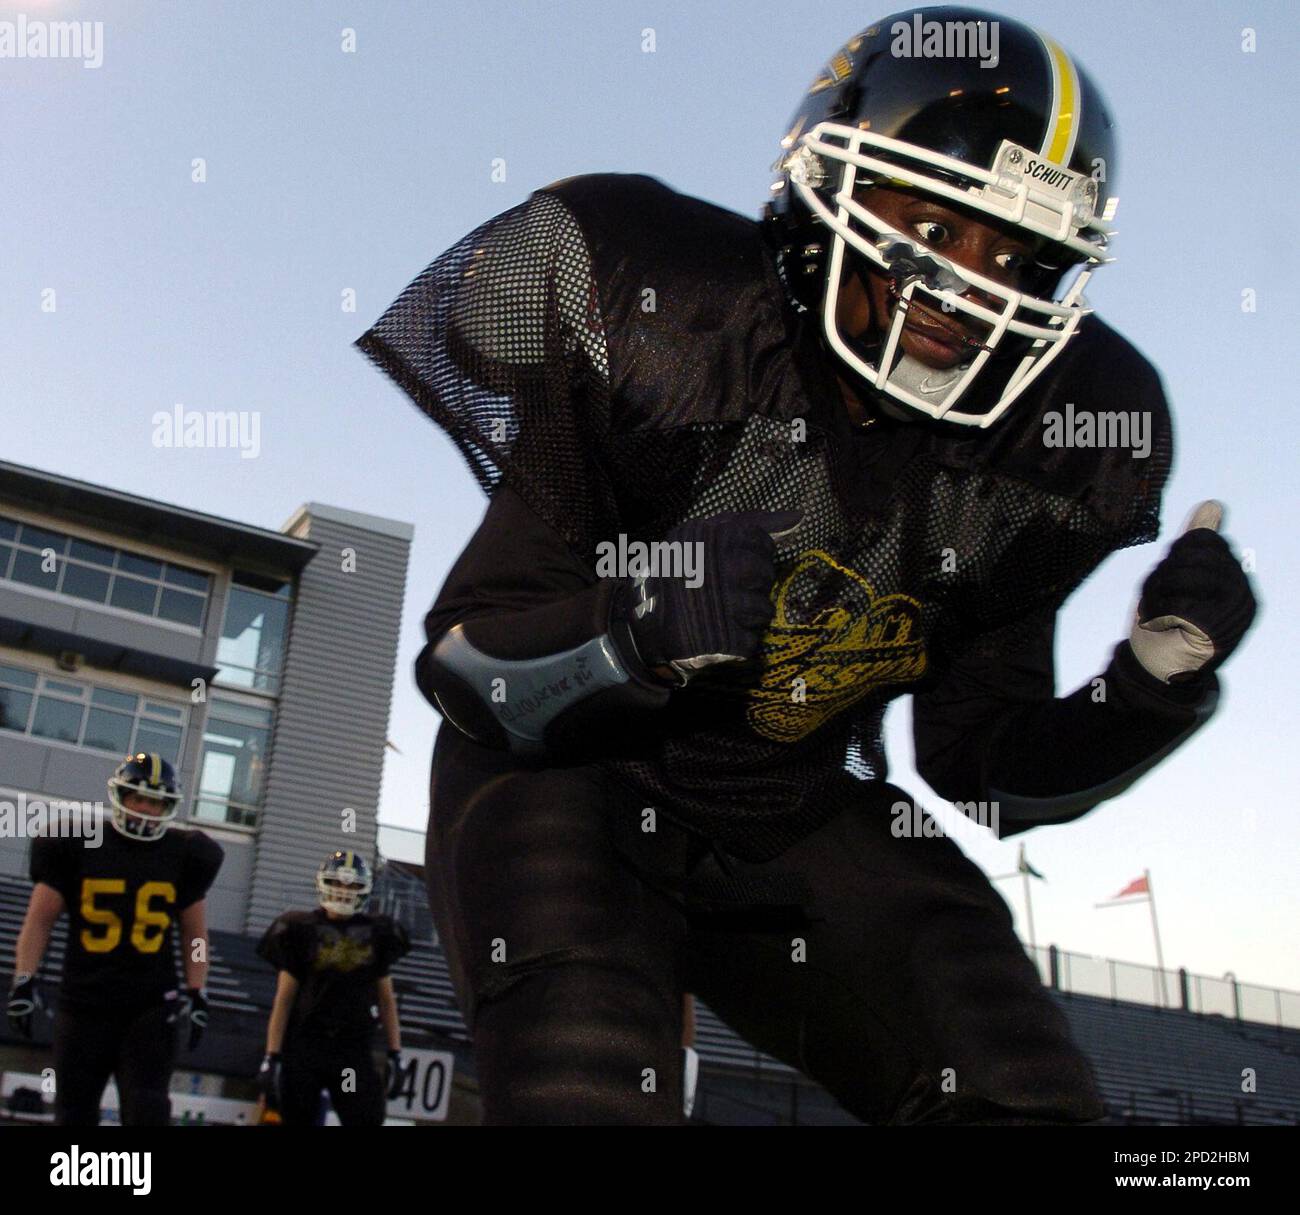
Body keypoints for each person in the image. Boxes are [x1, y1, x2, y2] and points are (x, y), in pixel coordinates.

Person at [354, 7, 1257, 1125]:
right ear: (825, 186)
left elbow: (982, 763)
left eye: (1017, 255)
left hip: (794, 807)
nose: (971, 284)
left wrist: (1149, 690)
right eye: (937, 222)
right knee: (588, 1084)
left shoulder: (1044, 453)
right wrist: (635, 631)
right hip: (574, 783)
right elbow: (471, 678)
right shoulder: (677, 320)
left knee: (1024, 1095)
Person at [6, 752, 223, 1126]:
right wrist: (24, 979)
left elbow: (195, 935)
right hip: (84, 1001)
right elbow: (39, 921)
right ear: (120, 798)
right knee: (73, 1112)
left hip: (150, 1005)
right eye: (138, 798)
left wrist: (197, 988)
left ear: (168, 806)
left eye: (155, 802)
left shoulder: (186, 853)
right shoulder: (75, 843)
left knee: (148, 1109)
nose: (145, 810)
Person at [256, 851, 410, 1126]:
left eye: (351, 886)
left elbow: (387, 1000)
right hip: (306, 1045)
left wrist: (395, 1052)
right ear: (323, 883)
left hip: (351, 1049)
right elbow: (284, 1000)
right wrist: (272, 1055)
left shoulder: (376, 932)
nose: (343, 891)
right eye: (338, 883)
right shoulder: (300, 929)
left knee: (366, 1119)